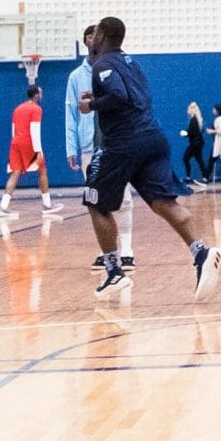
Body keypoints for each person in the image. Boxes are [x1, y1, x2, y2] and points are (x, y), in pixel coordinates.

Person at [80, 15, 221, 300]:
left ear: (103, 35)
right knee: (163, 202)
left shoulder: (102, 65)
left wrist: (91, 104)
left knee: (95, 202)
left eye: (95, 33)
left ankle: (114, 272)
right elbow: (130, 94)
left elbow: (119, 96)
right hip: (153, 139)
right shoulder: (132, 63)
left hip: (123, 143)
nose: (91, 38)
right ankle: (201, 253)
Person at [67, 26, 133, 267]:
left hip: (117, 142)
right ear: (85, 41)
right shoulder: (76, 76)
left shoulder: (116, 66)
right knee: (96, 201)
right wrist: (71, 147)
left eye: (97, 34)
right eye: (89, 34)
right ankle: (108, 253)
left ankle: (127, 250)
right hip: (89, 146)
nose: (93, 38)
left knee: (124, 197)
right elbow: (71, 114)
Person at [0, 84, 62, 218]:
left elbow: (13, 129)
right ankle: (47, 205)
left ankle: (3, 207)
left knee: (15, 173)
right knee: (42, 171)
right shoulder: (36, 109)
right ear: (36, 95)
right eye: (41, 93)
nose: (42, 95)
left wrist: (16, 144)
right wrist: (38, 150)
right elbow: (34, 130)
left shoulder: (17, 109)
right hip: (29, 143)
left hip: (15, 142)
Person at [181, 102, 208, 184]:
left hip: (195, 144)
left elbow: (192, 132)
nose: (187, 111)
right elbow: (196, 131)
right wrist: (187, 132)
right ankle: (205, 178)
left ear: (191, 109)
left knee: (185, 158)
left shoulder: (194, 120)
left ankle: (189, 177)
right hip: (197, 143)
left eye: (188, 109)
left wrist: (185, 133)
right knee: (199, 160)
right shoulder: (198, 119)